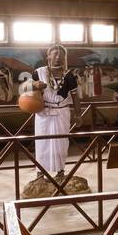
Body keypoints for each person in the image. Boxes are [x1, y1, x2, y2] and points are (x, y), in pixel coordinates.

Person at [32, 44, 79, 179]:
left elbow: (75, 97)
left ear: (64, 58)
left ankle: (60, 172)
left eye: (61, 55)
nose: (58, 58)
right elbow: (25, 91)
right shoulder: (38, 73)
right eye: (55, 55)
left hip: (61, 113)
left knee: (61, 143)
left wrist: (78, 114)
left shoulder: (69, 76)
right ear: (48, 57)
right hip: (43, 113)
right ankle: (40, 174)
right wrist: (33, 85)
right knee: (42, 143)